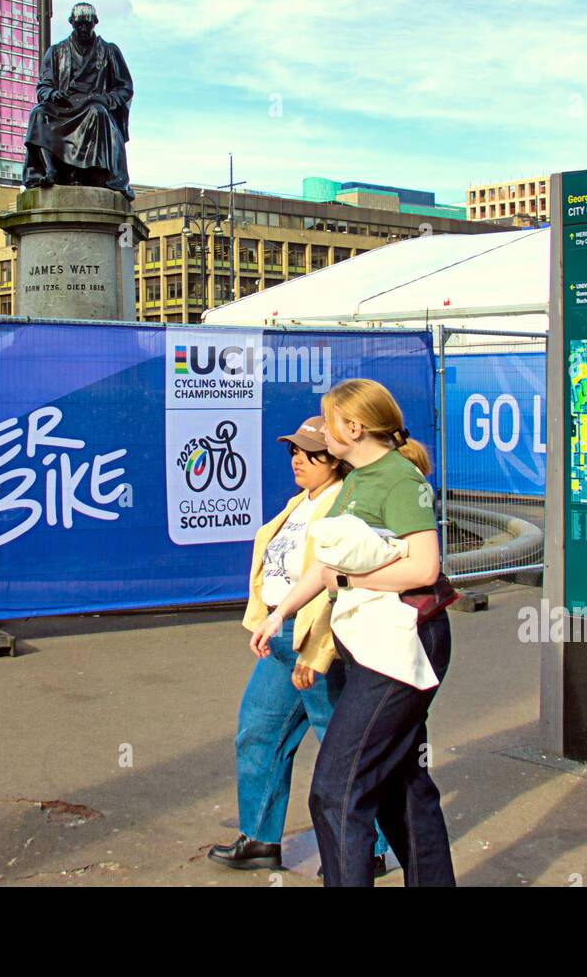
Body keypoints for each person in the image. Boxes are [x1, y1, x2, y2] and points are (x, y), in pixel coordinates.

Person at [252, 379, 455, 887]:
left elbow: (424, 569)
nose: (322, 431)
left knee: (336, 789)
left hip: (401, 645)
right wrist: (282, 614)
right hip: (373, 643)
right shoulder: (359, 479)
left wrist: (349, 580)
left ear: (354, 428)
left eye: (330, 421)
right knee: (400, 783)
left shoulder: (398, 479)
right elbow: (326, 565)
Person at [210, 416, 392, 874]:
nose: (297, 459)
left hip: (319, 638)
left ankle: (367, 849)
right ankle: (259, 838)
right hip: (282, 637)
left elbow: (338, 584)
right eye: (293, 451)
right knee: (257, 732)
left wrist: (319, 650)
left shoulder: (344, 504)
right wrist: (270, 619)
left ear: (333, 458)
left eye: (308, 452)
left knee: (342, 744)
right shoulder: (301, 503)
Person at [22, 2, 134, 200]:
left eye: (87, 25)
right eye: (79, 24)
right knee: (38, 113)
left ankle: (88, 173)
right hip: (63, 107)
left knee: (96, 113)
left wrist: (106, 99)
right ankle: (50, 171)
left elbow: (125, 88)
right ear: (72, 23)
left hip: (93, 105)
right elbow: (44, 85)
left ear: (95, 23)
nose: (83, 29)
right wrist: (52, 94)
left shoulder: (109, 51)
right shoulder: (56, 52)